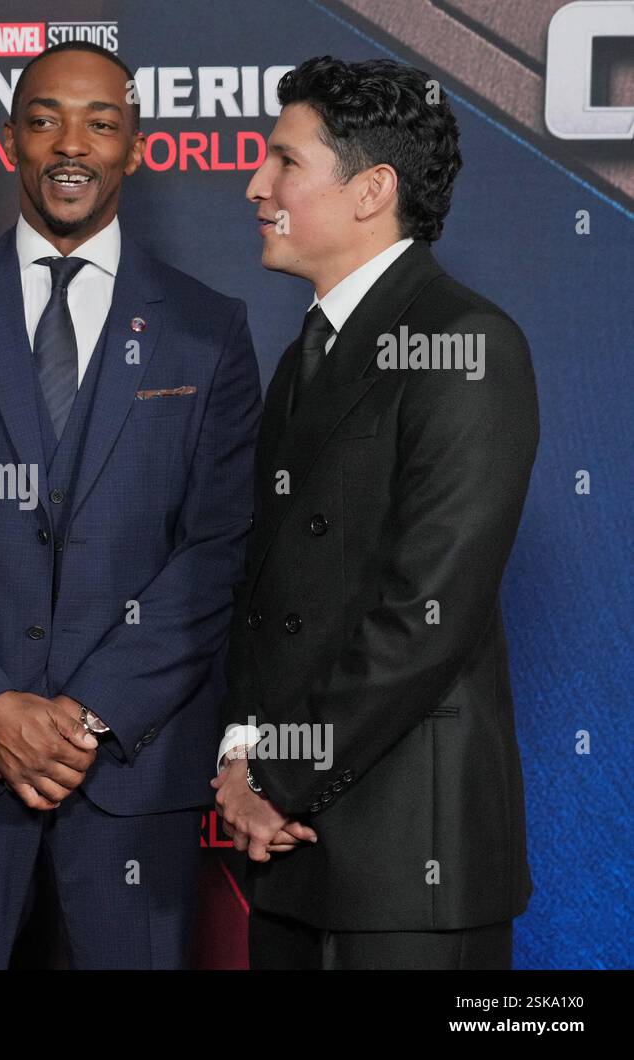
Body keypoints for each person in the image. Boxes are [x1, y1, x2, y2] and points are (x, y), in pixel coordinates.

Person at [0, 41, 261, 968]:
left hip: (130, 769)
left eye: (100, 123)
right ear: (10, 140)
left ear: (136, 146)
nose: (70, 145)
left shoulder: (208, 328)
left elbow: (216, 549)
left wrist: (88, 717)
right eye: (44, 120)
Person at [213, 55, 537, 970]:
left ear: (371, 191)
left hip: (408, 870)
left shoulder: (468, 345)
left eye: (284, 162)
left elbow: (426, 613)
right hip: (288, 853)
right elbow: (265, 585)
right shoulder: (305, 353)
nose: (254, 184)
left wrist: (276, 777)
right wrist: (243, 762)